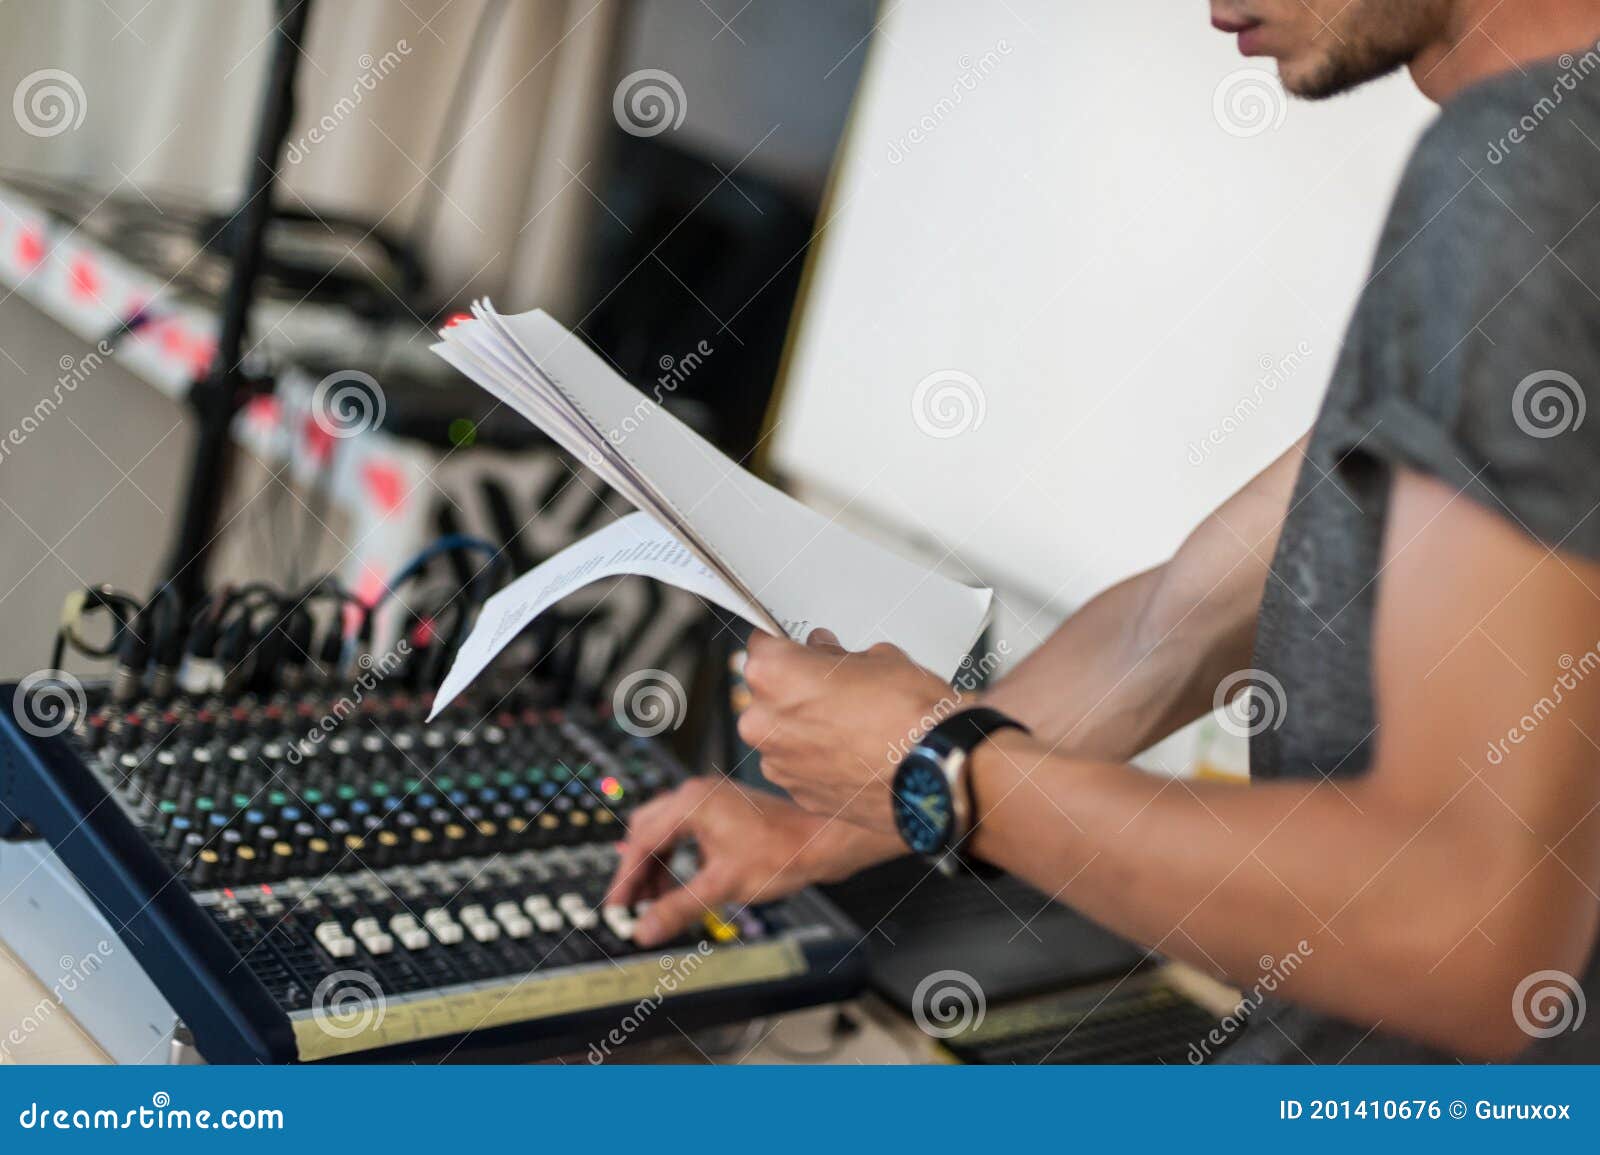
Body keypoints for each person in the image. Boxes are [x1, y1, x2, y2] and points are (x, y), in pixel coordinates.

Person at [609, 0, 1600, 1062]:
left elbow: (1471, 925)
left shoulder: (1528, 173)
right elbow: (1177, 626)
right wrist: (827, 825)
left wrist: (941, 768)